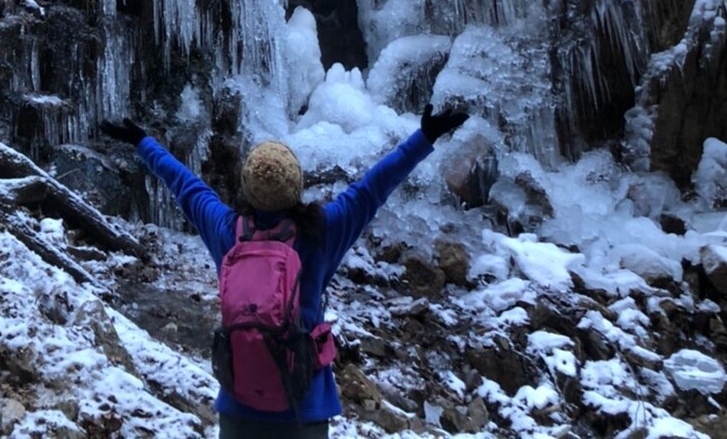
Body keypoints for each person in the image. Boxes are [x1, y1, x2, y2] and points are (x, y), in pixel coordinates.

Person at [101, 101, 468, 438]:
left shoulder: (227, 231)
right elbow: (372, 188)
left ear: (247, 188)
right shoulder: (322, 231)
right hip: (303, 406)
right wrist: (425, 137)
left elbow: (186, 186)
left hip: (239, 404)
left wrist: (142, 142)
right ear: (297, 187)